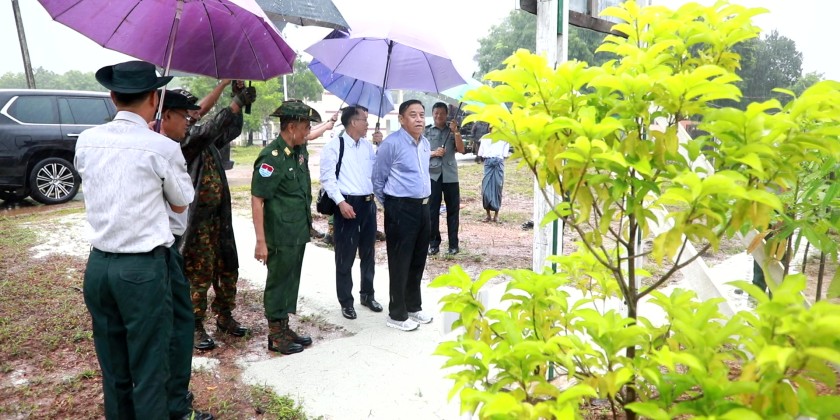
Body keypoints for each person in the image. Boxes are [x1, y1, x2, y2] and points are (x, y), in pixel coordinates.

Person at [74, 60, 199, 419]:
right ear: (154, 99)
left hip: (99, 266)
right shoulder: (161, 147)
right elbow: (181, 201)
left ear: (113, 97)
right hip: (141, 270)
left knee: (113, 367)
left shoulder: (86, 140)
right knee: (149, 368)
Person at [174, 81, 256, 351]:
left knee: (228, 267)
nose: (195, 113)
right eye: (189, 111)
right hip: (197, 222)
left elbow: (228, 129)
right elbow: (210, 127)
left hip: (219, 219)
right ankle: (195, 325)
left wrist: (236, 97)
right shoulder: (181, 141)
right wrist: (234, 103)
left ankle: (225, 315)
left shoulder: (204, 139)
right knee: (199, 273)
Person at [157, 90, 216, 420]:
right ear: (165, 115)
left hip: (158, 246)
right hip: (161, 247)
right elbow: (182, 201)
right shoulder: (164, 148)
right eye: (185, 117)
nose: (189, 123)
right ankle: (174, 403)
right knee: (177, 324)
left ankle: (169, 395)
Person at [251, 99, 320, 354]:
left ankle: (283, 327)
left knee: (290, 281)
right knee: (278, 282)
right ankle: (275, 336)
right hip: (279, 234)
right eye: (305, 127)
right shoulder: (272, 158)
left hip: (297, 231)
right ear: (292, 127)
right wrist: (261, 241)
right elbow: (257, 199)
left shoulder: (298, 151)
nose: (308, 132)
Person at [372, 99, 434, 332]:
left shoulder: (425, 143)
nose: (419, 119)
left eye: (421, 114)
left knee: (418, 259)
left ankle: (413, 306)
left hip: (423, 207)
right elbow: (378, 179)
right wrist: (391, 205)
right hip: (400, 208)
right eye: (413, 115)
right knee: (400, 261)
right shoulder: (391, 144)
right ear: (401, 119)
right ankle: (397, 314)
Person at [320, 105, 382, 320]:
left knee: (368, 253)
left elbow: (377, 172)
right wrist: (340, 202)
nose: (368, 123)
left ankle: (367, 294)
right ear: (353, 122)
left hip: (368, 204)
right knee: (345, 256)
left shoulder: (367, 147)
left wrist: (380, 145)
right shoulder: (334, 146)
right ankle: (346, 301)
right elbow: (327, 178)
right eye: (364, 119)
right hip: (347, 204)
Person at [425, 102, 464, 255]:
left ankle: (453, 245)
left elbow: (461, 149)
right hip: (433, 176)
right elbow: (419, 151)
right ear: (432, 114)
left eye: (442, 113)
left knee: (453, 210)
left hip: (450, 176)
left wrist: (456, 132)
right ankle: (433, 244)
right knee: (432, 211)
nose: (439, 116)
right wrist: (434, 153)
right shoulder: (426, 131)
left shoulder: (452, 130)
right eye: (436, 113)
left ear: (447, 114)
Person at [476, 127, 511, 223]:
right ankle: (488, 214)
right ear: (490, 128)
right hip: (488, 163)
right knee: (485, 189)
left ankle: (496, 215)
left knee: (498, 187)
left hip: (498, 163)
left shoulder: (504, 138)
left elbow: (505, 154)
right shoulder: (484, 138)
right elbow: (481, 153)